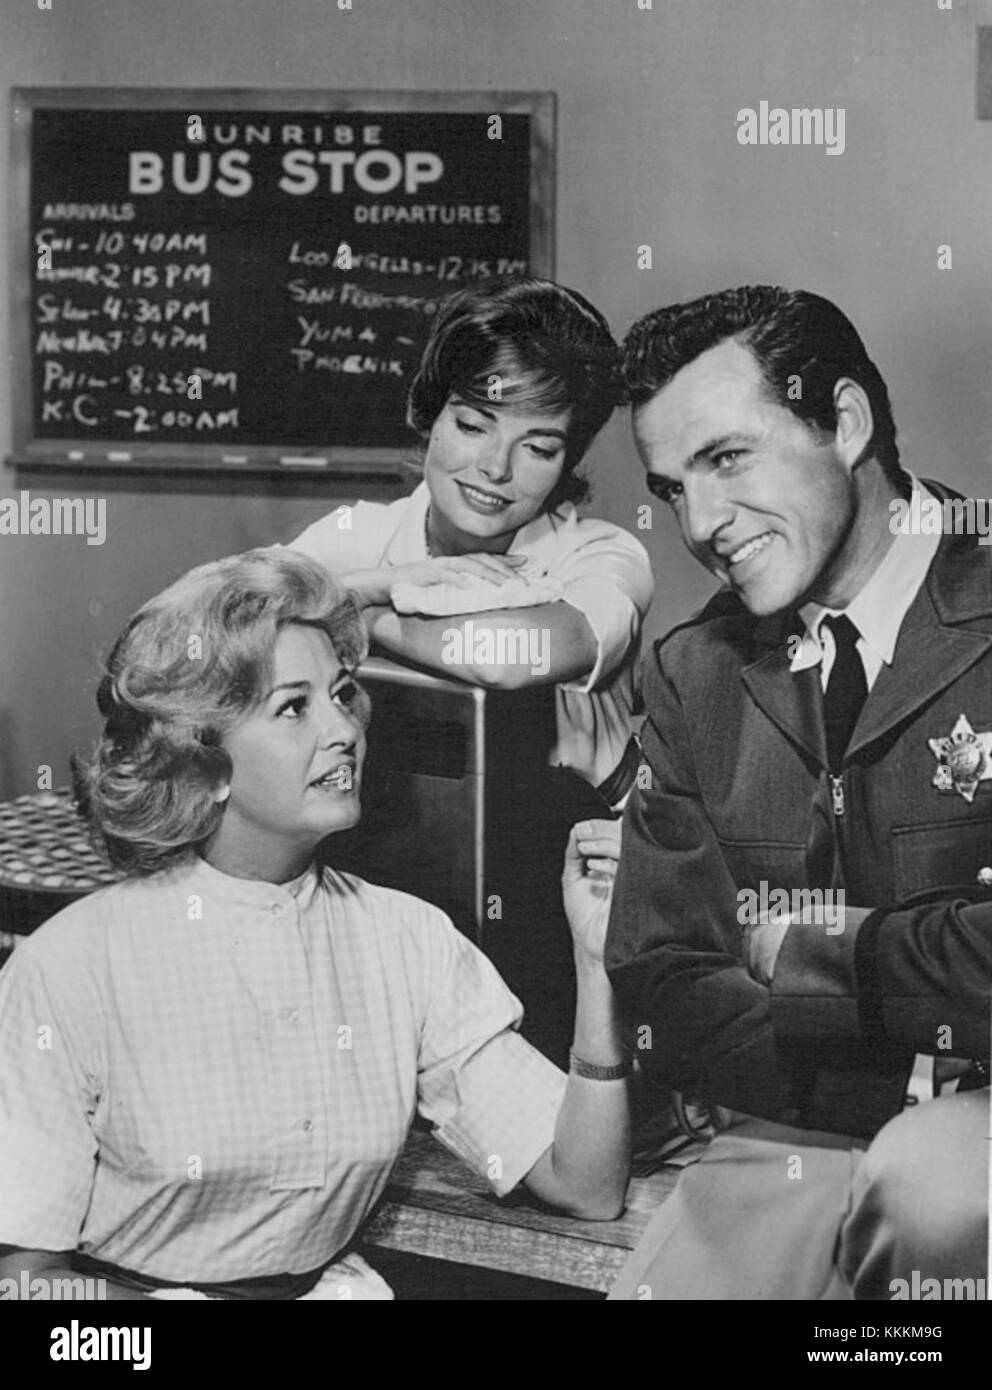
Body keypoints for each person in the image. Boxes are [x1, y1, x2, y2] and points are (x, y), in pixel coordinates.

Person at [0, 548, 630, 1301]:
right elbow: (27, 1285)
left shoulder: (406, 941)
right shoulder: (69, 968)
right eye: (294, 708)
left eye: (343, 694)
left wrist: (597, 964)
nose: (345, 730)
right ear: (201, 759)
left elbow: (583, 1183)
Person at [605, 285, 990, 1300]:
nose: (700, 523)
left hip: (955, 1161)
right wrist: (907, 1055)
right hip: (798, 1125)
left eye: (728, 458)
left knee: (932, 1196)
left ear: (845, 423)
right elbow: (665, 976)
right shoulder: (694, 671)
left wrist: (818, 956)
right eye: (672, 488)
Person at [290, 277, 654, 1065]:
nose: (495, 467)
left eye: (539, 447)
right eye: (472, 423)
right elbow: (205, 621)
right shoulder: (363, 534)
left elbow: (510, 659)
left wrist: (361, 612)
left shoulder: (600, 554)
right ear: (431, 415)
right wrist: (384, 580)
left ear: (568, 461)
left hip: (572, 891)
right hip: (389, 865)